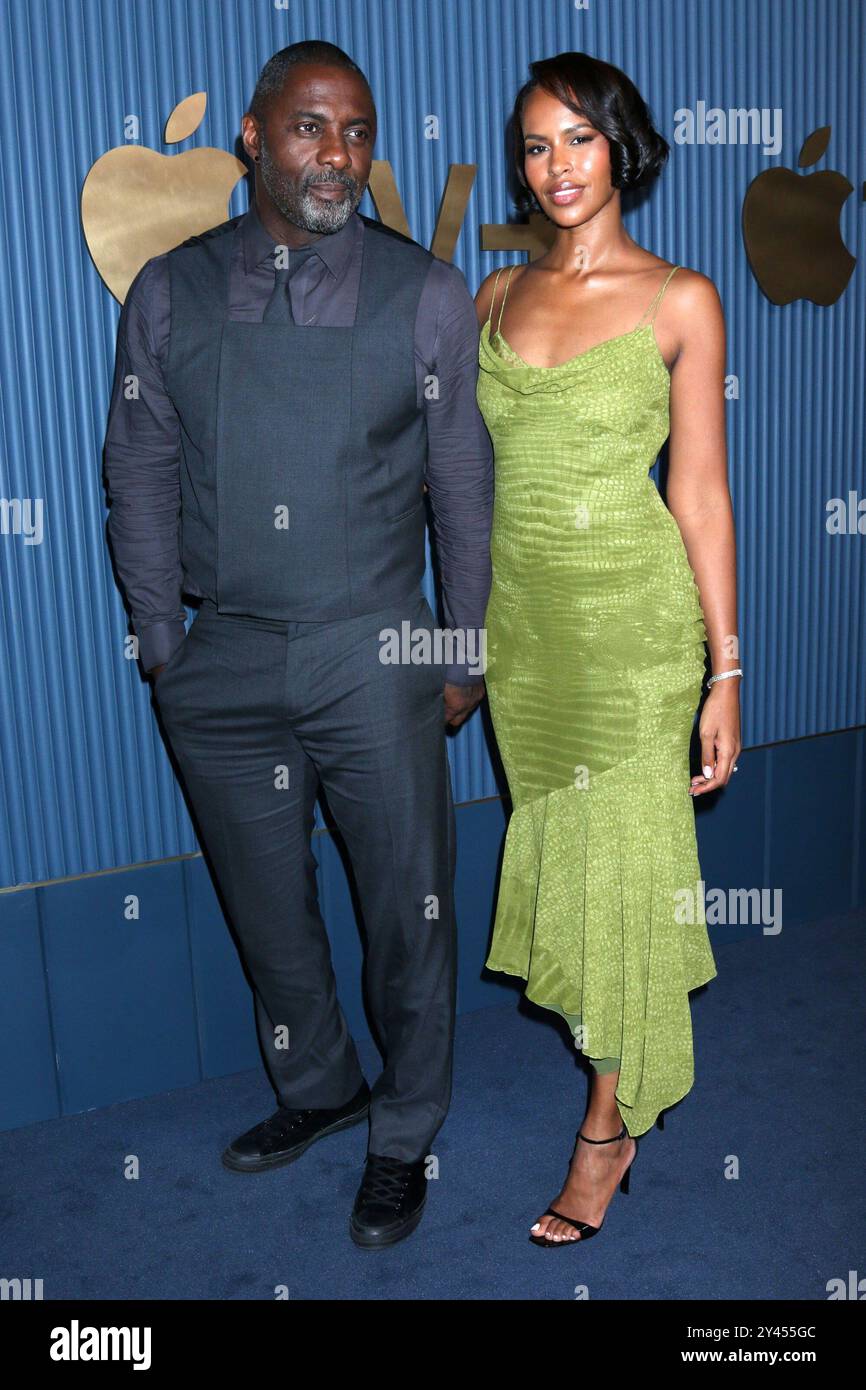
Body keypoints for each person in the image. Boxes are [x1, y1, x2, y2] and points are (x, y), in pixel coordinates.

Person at [103, 40, 492, 1248]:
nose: (338, 154)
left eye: (357, 131)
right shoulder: (169, 290)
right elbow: (140, 463)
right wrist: (165, 644)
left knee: (405, 908)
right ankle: (320, 1089)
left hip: (373, 647)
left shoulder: (422, 292)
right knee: (267, 912)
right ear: (254, 141)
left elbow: (461, 486)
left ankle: (402, 1131)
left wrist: (462, 655)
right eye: (311, 128)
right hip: (223, 663)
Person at [474, 51, 741, 1247]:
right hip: (526, 646)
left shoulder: (678, 297)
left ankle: (605, 1125)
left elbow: (698, 492)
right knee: (573, 876)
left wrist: (723, 671)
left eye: (576, 139)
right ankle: (610, 1074)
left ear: (618, 145)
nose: (554, 167)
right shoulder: (490, 298)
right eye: (534, 146)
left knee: (624, 874)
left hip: (634, 638)